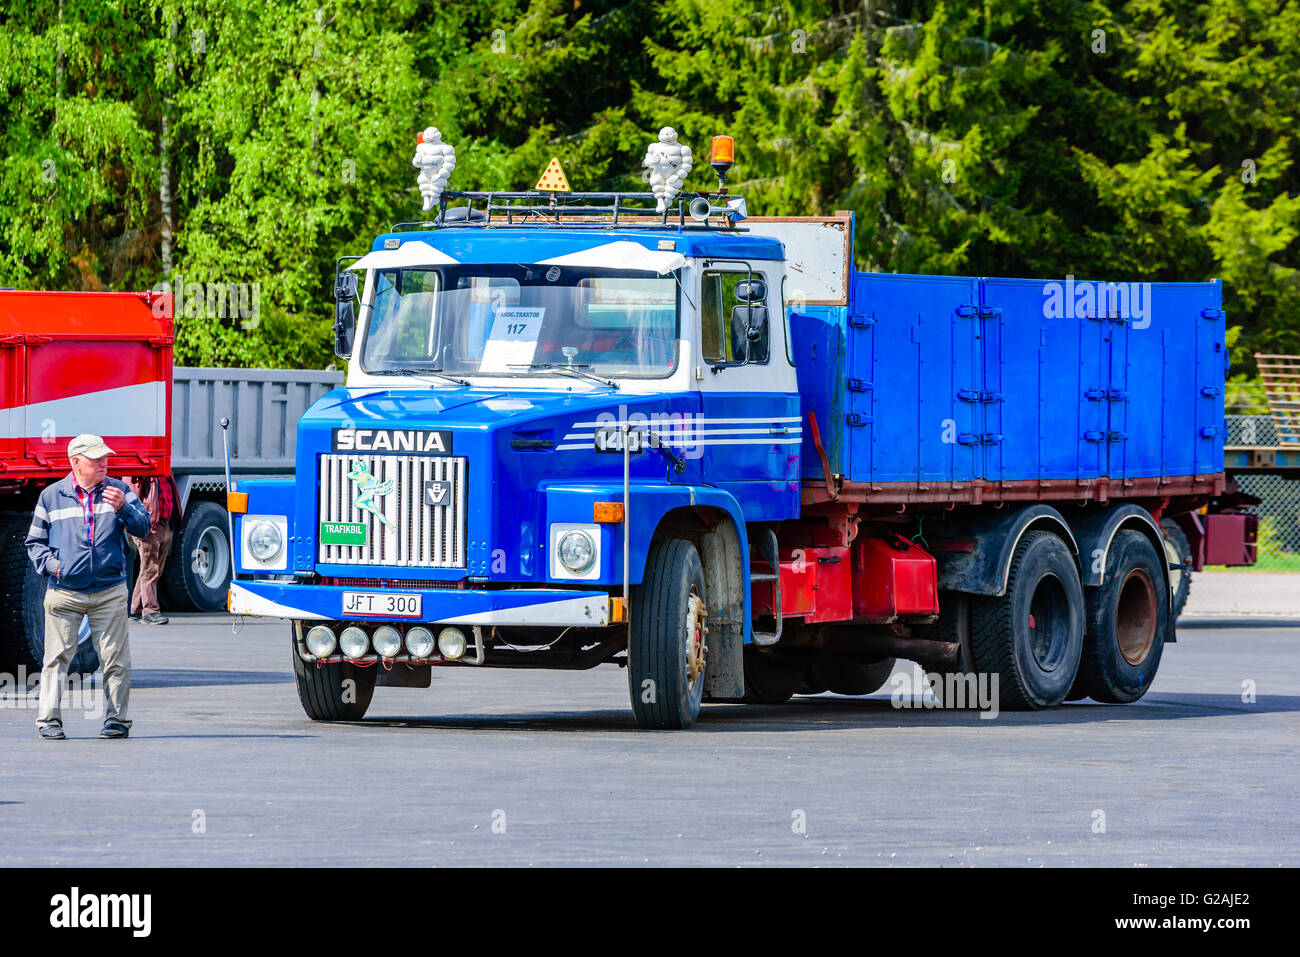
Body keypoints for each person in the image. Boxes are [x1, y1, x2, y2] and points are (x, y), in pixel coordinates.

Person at [25, 434, 151, 740]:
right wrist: (56, 567)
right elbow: (34, 542)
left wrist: (124, 509)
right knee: (57, 658)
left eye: (105, 457)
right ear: (75, 462)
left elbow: (144, 526)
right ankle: (48, 720)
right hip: (64, 592)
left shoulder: (119, 490)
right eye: (96, 459)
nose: (103, 463)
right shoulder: (51, 496)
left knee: (115, 658)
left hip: (109, 591)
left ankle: (117, 720)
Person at [127, 472, 181, 625]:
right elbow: (131, 501)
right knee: (150, 569)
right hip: (150, 526)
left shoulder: (165, 472)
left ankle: (135, 609)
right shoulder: (140, 471)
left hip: (165, 523)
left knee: (151, 569)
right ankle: (150, 611)